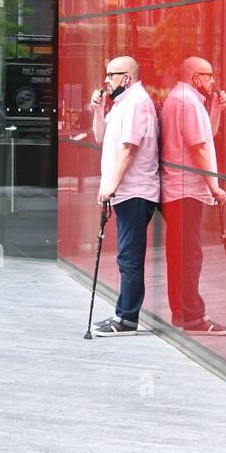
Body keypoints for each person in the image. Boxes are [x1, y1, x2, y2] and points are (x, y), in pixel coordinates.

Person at [90, 55, 159, 336]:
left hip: (134, 192)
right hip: (124, 192)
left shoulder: (137, 102)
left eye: (111, 75)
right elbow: (100, 138)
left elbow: (129, 149)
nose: (105, 81)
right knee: (125, 256)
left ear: (126, 78)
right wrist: (97, 110)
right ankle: (123, 314)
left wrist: (111, 186)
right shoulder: (121, 104)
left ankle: (127, 319)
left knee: (129, 257)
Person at [161, 56, 226, 335]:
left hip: (178, 190)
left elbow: (206, 135)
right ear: (195, 77)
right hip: (186, 189)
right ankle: (192, 316)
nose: (212, 80)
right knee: (190, 255)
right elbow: (199, 147)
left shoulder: (182, 99)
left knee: (180, 253)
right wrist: (214, 185)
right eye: (208, 75)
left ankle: (182, 313)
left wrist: (217, 109)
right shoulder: (188, 102)